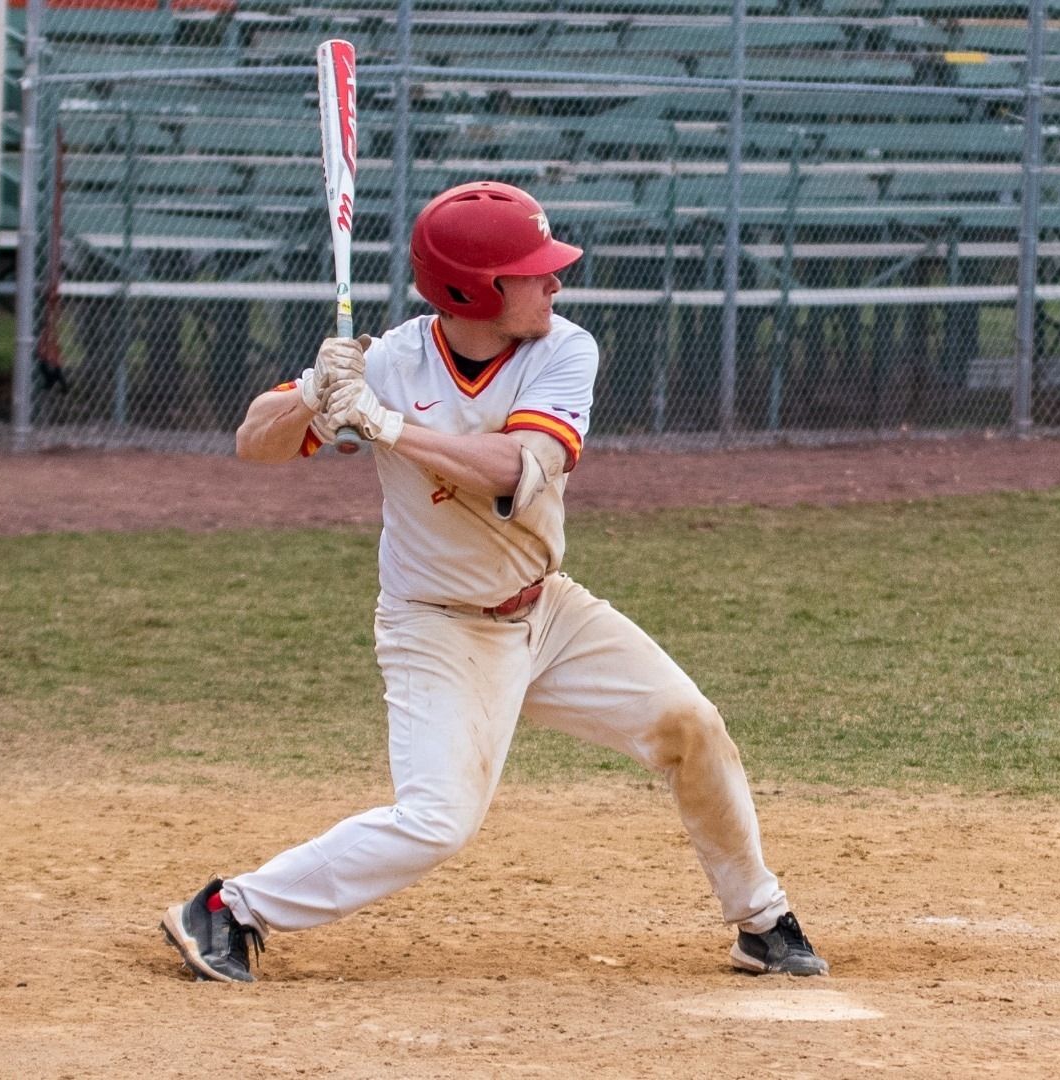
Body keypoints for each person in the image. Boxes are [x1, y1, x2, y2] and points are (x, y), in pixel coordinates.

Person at [161, 181, 827, 983]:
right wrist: (312, 393)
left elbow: (517, 468)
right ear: (474, 289)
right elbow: (253, 444)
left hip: (547, 609)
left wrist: (384, 424)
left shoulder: (564, 349)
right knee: (438, 822)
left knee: (689, 721)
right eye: (532, 270)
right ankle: (230, 909)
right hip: (438, 625)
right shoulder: (389, 362)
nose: (554, 281)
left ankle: (761, 920)